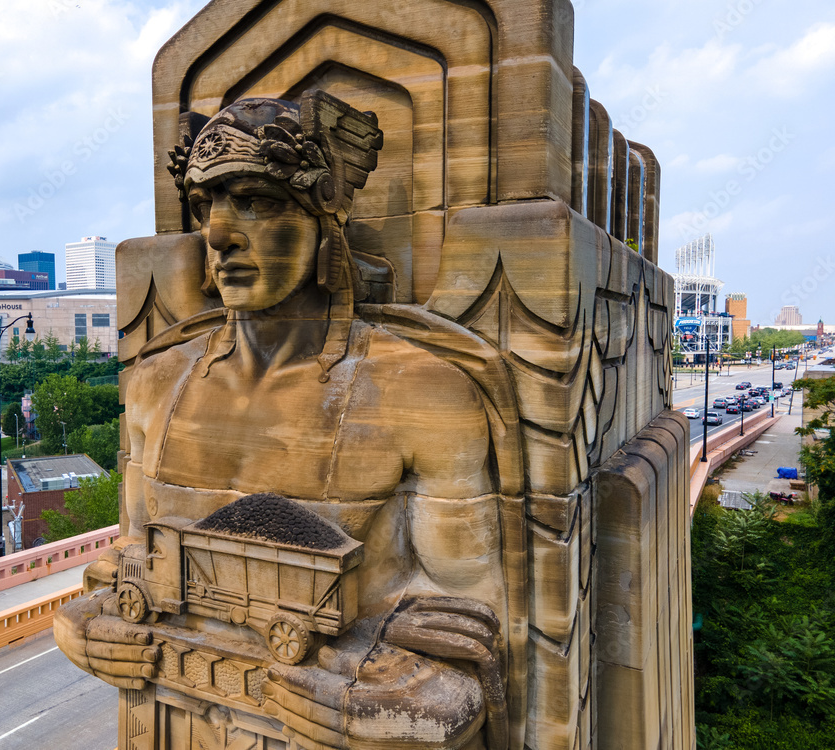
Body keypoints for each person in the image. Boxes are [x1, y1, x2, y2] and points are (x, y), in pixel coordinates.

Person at [55, 92, 523, 750]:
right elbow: (121, 572)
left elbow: (478, 642)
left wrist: (384, 711)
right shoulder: (155, 387)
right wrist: (81, 632)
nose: (217, 235)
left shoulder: (421, 393)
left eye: (256, 199)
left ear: (321, 219)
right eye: (203, 205)